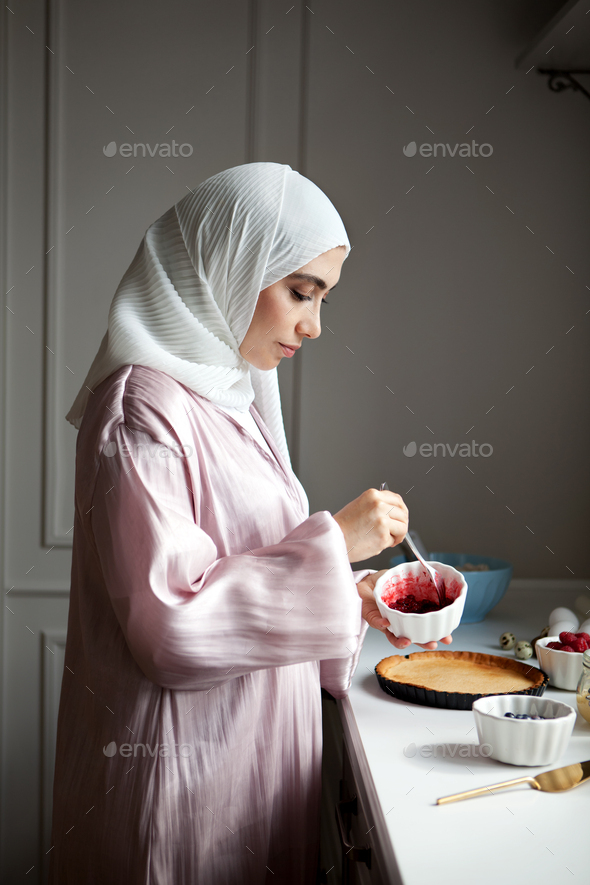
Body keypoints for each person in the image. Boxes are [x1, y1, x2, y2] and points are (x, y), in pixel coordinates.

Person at [48, 162, 451, 885]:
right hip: (178, 782)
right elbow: (170, 627)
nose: (314, 325)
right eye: (300, 292)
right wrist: (336, 544)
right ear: (226, 267)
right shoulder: (141, 410)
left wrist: (351, 593)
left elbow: (255, 559)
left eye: (322, 298)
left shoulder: (233, 394)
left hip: (254, 765)